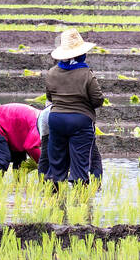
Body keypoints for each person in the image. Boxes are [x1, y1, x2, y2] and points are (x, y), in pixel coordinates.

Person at [44, 28, 105, 184]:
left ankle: (55, 200)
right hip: (80, 121)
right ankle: (81, 203)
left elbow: (50, 97)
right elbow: (98, 100)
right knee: (80, 166)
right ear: (80, 54)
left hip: (56, 119)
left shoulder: (51, 73)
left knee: (57, 164)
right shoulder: (86, 74)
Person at [38, 104, 103, 181]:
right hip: (76, 114)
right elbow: (96, 100)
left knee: (47, 155)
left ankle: (45, 184)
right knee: (93, 156)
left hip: (51, 114)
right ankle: (95, 184)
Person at [0, 99, 41, 173]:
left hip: (11, 128)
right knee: (2, 160)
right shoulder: (38, 123)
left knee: (21, 161)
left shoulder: (41, 118)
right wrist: (43, 163)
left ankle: (19, 183)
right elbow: (31, 147)